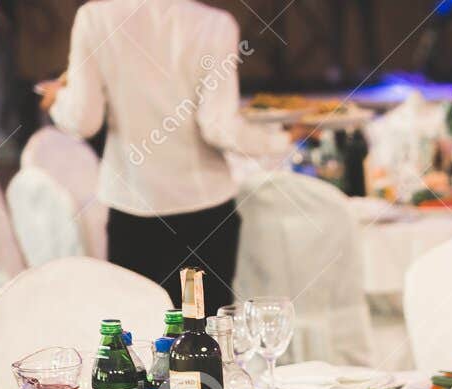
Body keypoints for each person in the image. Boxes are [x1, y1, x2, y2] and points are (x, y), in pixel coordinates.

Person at [38, 0, 288, 310]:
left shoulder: (94, 18)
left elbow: (84, 120)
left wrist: (59, 99)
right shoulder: (214, 24)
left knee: (139, 329)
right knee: (203, 331)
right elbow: (219, 127)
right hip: (204, 211)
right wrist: (281, 139)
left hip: (131, 208)